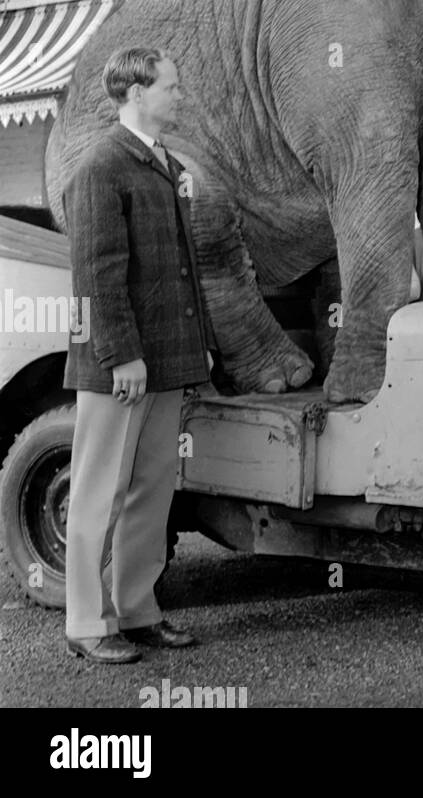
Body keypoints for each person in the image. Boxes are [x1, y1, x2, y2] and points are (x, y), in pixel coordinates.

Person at [62, 47, 214, 664]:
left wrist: (195, 341)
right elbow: (97, 274)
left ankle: (136, 610)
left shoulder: (162, 164)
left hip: (163, 361)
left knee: (151, 489)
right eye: (170, 87)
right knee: (99, 493)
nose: (179, 95)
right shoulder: (102, 166)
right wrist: (123, 355)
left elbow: (177, 269)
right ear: (135, 94)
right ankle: (86, 623)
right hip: (118, 366)